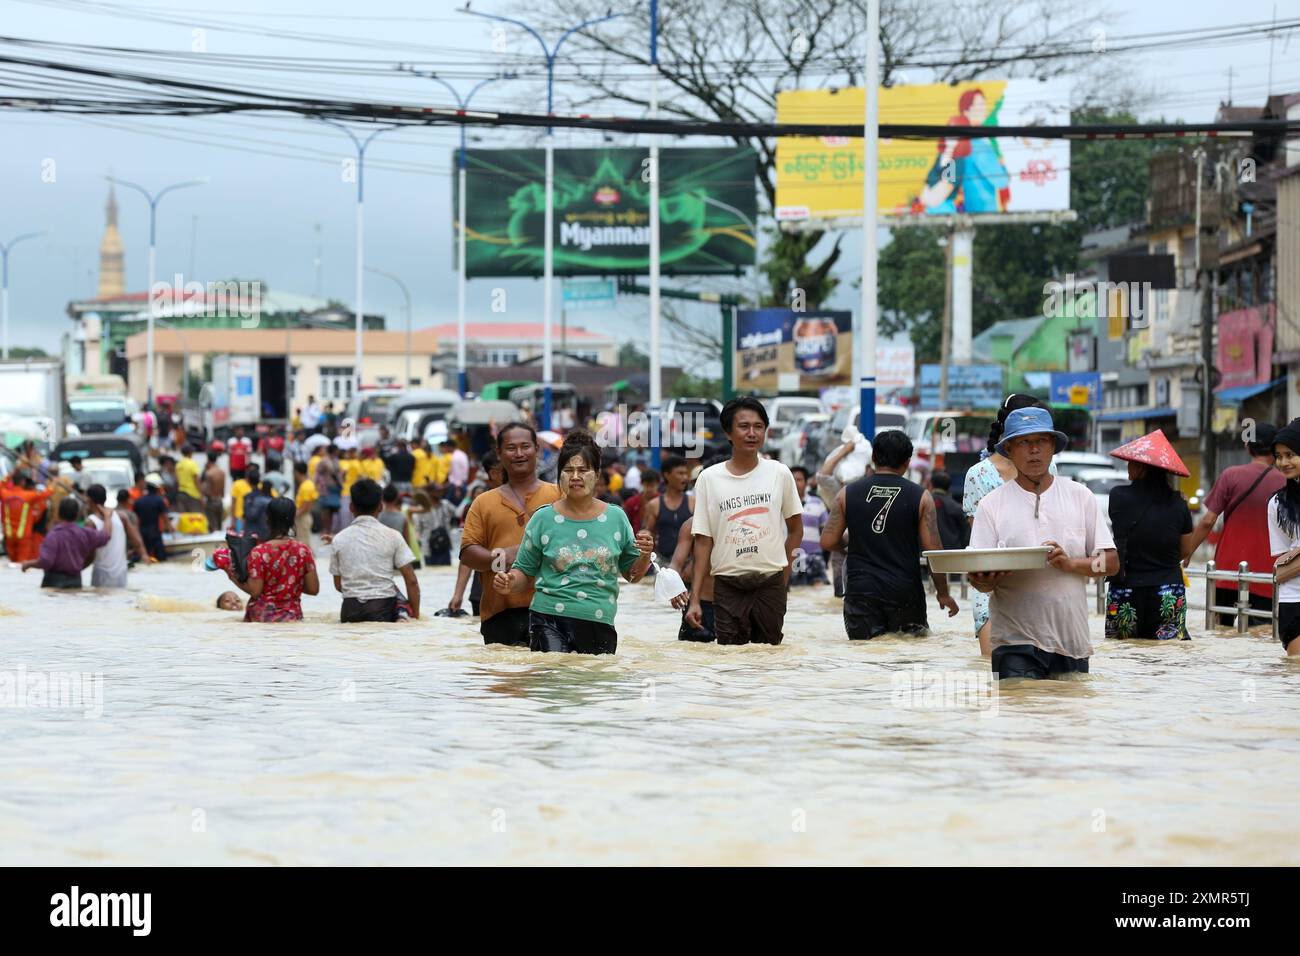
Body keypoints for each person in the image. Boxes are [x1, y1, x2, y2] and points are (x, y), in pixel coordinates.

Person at [968, 407, 1117, 680]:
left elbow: (1109, 563)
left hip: (1070, 642)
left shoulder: (1080, 497)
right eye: (1024, 442)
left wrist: (1071, 563)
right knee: (1019, 712)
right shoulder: (991, 505)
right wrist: (987, 579)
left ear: (1052, 448)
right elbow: (979, 578)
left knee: (1067, 716)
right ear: (1010, 450)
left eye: (1041, 442)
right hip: (1013, 642)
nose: (1033, 450)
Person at [495, 430, 654, 655]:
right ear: (559, 475)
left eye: (583, 470)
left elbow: (633, 575)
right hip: (548, 617)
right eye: (568, 470)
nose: (575, 476)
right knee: (554, 674)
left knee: (591, 685)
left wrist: (645, 555)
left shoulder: (616, 518)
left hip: (599, 620)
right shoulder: (543, 518)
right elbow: (524, 570)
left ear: (597, 475)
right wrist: (510, 581)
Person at [685, 397, 803, 646]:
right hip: (727, 585)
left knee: (769, 658)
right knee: (730, 658)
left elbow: (795, 530)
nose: (752, 433)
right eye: (744, 426)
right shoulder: (709, 479)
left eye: (758, 427)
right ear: (728, 432)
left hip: (770, 584)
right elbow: (703, 541)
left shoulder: (779, 473)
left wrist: (784, 578)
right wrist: (694, 599)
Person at [820, 431, 957, 638]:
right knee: (905, 660)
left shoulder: (846, 494)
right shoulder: (922, 497)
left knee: (864, 658)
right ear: (907, 462)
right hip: (904, 592)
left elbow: (828, 541)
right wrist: (943, 593)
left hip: (861, 592)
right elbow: (934, 552)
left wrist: (850, 543)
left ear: (873, 458)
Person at [963, 394, 1057, 656]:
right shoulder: (979, 474)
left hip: (1042, 580)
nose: (1035, 444)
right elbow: (980, 537)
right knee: (995, 668)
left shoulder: (1049, 468)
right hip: (992, 582)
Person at [459, 422, 563, 646]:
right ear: (499, 453)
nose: (519, 454)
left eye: (525, 447)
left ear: (538, 449)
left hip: (554, 611)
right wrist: (502, 557)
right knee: (505, 678)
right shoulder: (483, 502)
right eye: (511, 448)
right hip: (499, 613)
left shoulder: (559, 497)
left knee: (550, 677)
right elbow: (467, 553)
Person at [1185, 421, 1284, 626]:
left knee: (1219, 629)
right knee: (1262, 632)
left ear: (1248, 447)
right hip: (1266, 573)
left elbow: (1208, 521)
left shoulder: (1230, 475)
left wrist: (1188, 553)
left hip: (1226, 570)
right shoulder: (1285, 482)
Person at [1104, 430, 1195, 641]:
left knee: (1124, 657)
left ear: (1140, 467)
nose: (1128, 467)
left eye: (1131, 463)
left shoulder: (1118, 496)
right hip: (1168, 590)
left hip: (1125, 589)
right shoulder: (1179, 503)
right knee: (1167, 658)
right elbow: (1185, 550)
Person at [328, 478, 421, 622]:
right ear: (380, 507)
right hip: (383, 608)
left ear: (351, 507)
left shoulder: (339, 539)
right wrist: (415, 617)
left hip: (349, 610)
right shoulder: (393, 536)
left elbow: (339, 585)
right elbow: (412, 581)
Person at [222, 497, 319, 622]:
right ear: (292, 520)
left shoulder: (259, 552)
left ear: (268, 519)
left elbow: (255, 591)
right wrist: (290, 584)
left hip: (261, 618)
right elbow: (313, 589)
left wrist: (230, 574)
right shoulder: (303, 551)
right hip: (292, 617)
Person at [448, 451, 503, 617]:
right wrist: (458, 594)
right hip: (484, 592)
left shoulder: (531, 498)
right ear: (494, 473)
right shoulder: (481, 506)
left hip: (522, 592)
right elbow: (468, 553)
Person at [20, 496, 110, 589]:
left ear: (59, 514)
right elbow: (106, 536)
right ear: (77, 515)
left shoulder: (53, 536)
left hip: (53, 581)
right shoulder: (85, 533)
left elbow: (46, 561)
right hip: (75, 581)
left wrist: (29, 564)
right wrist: (107, 517)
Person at [1268, 419, 1300, 655]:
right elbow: (1282, 553)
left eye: (1290, 454)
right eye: (1279, 456)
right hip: (1293, 598)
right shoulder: (1276, 504)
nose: (1283, 462)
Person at [85, 483, 145, 587]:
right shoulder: (121, 517)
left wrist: (79, 568)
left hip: (101, 573)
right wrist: (144, 556)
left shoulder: (91, 522)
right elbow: (137, 542)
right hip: (121, 572)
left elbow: (90, 553)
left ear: (89, 500)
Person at [645, 455, 693, 565]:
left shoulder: (693, 502)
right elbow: (649, 532)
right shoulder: (654, 505)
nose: (685, 478)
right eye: (680, 473)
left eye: (686, 473)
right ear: (667, 475)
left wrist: (693, 564)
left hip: (688, 563)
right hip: (662, 562)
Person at [412, 488, 456, 566]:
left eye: (439, 491)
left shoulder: (446, 504)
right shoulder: (420, 510)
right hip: (429, 548)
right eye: (435, 491)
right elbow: (417, 529)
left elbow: (458, 513)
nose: (438, 493)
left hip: (444, 546)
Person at [132, 475, 171, 563]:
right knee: (161, 558)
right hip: (155, 532)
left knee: (144, 557)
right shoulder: (159, 500)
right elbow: (165, 517)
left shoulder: (138, 501)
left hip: (142, 532)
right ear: (157, 487)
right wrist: (170, 528)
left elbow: (136, 520)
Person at [928, 471, 968, 550]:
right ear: (949, 487)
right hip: (952, 552)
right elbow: (964, 532)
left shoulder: (923, 504)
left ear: (931, 485)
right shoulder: (956, 507)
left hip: (928, 551)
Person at [622, 468, 659, 534]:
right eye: (647, 485)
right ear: (641, 483)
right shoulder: (631, 502)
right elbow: (625, 523)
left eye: (652, 486)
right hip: (635, 539)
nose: (649, 489)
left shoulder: (662, 502)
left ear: (658, 484)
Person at [229, 463, 260, 533]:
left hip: (256, 521)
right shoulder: (237, 484)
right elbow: (233, 503)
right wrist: (233, 521)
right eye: (250, 471)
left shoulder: (261, 485)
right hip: (240, 519)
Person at [293, 460, 318, 544]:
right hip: (303, 517)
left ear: (296, 472)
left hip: (303, 518)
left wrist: (294, 516)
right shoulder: (306, 484)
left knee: (303, 543)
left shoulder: (306, 486)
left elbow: (306, 506)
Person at [201, 451, 225, 535]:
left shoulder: (208, 473)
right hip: (220, 500)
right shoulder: (222, 472)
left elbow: (205, 489)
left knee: (213, 526)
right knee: (219, 525)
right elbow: (223, 490)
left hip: (211, 501)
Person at [175, 445, 202, 512]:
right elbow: (196, 480)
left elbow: (177, 480)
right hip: (192, 494)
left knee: (184, 517)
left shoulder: (178, 464)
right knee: (193, 518)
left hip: (181, 493)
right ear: (190, 452)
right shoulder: (192, 464)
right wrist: (201, 494)